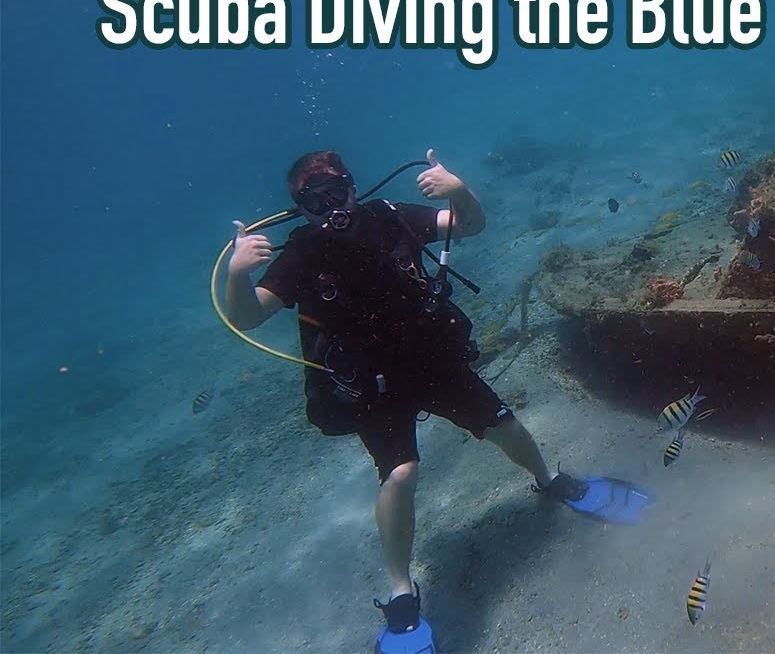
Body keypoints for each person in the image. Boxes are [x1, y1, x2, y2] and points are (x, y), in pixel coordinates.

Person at [224, 149, 578, 637]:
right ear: (299, 207)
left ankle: (548, 479)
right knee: (400, 474)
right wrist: (236, 274)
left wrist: (458, 190)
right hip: (369, 383)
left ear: (353, 186)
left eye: (337, 191)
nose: (331, 206)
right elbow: (245, 317)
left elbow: (470, 225)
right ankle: (400, 590)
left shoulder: (388, 217)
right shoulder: (303, 253)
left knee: (502, 423)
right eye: (315, 200)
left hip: (428, 358)